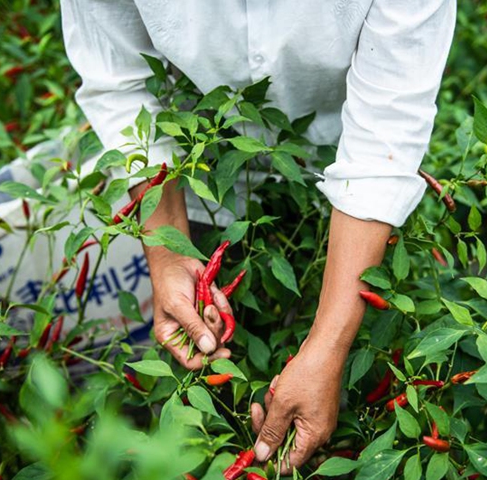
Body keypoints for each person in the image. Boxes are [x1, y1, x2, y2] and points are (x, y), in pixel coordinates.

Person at [61, 0, 456, 470]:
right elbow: (119, 82)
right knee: (196, 364)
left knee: (333, 382)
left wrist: (328, 345)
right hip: (194, 171)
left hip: (336, 177)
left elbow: (382, 137)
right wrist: (168, 253)